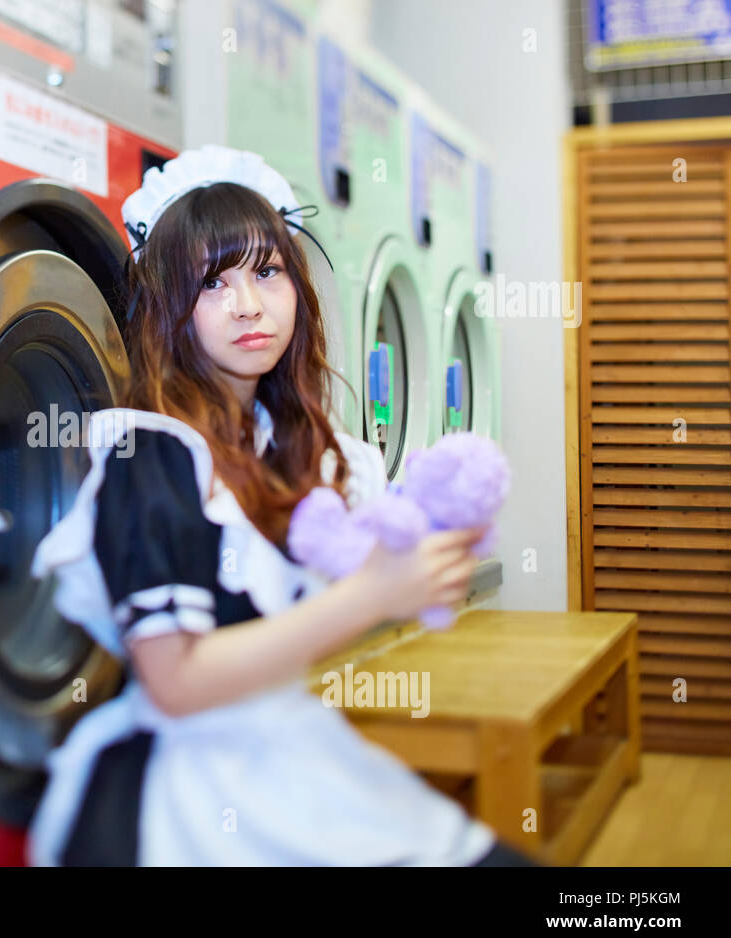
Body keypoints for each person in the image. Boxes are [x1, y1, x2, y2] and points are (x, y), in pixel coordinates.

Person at [26, 144, 535, 867]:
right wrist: (372, 594)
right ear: (170, 305)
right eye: (212, 283)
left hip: (285, 750)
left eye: (267, 272)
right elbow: (175, 684)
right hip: (187, 800)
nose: (248, 305)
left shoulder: (285, 444)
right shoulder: (149, 453)